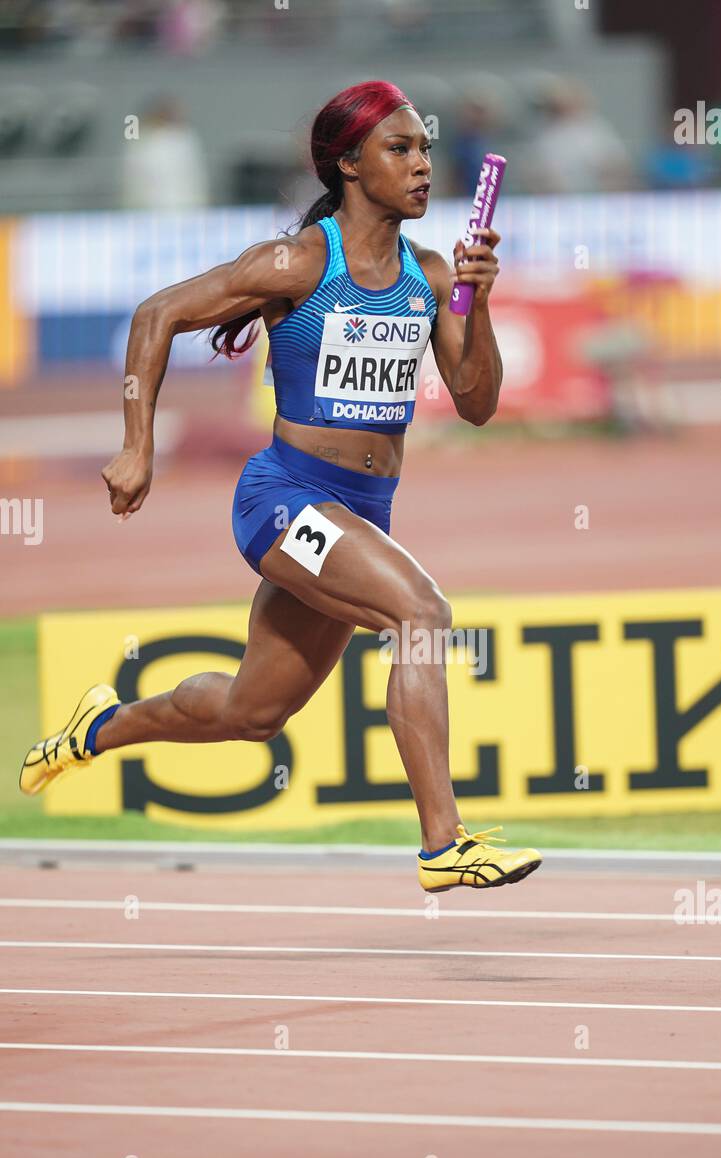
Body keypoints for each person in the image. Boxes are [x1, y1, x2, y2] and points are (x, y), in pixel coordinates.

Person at [20, 80, 542, 894]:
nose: (422, 166)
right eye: (399, 150)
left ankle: (99, 726)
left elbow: (476, 405)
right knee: (421, 613)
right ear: (348, 164)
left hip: (360, 513)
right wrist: (137, 446)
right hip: (285, 499)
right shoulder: (299, 262)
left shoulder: (432, 275)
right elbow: (155, 315)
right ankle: (446, 843)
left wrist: (480, 305)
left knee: (251, 715)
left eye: (426, 151)